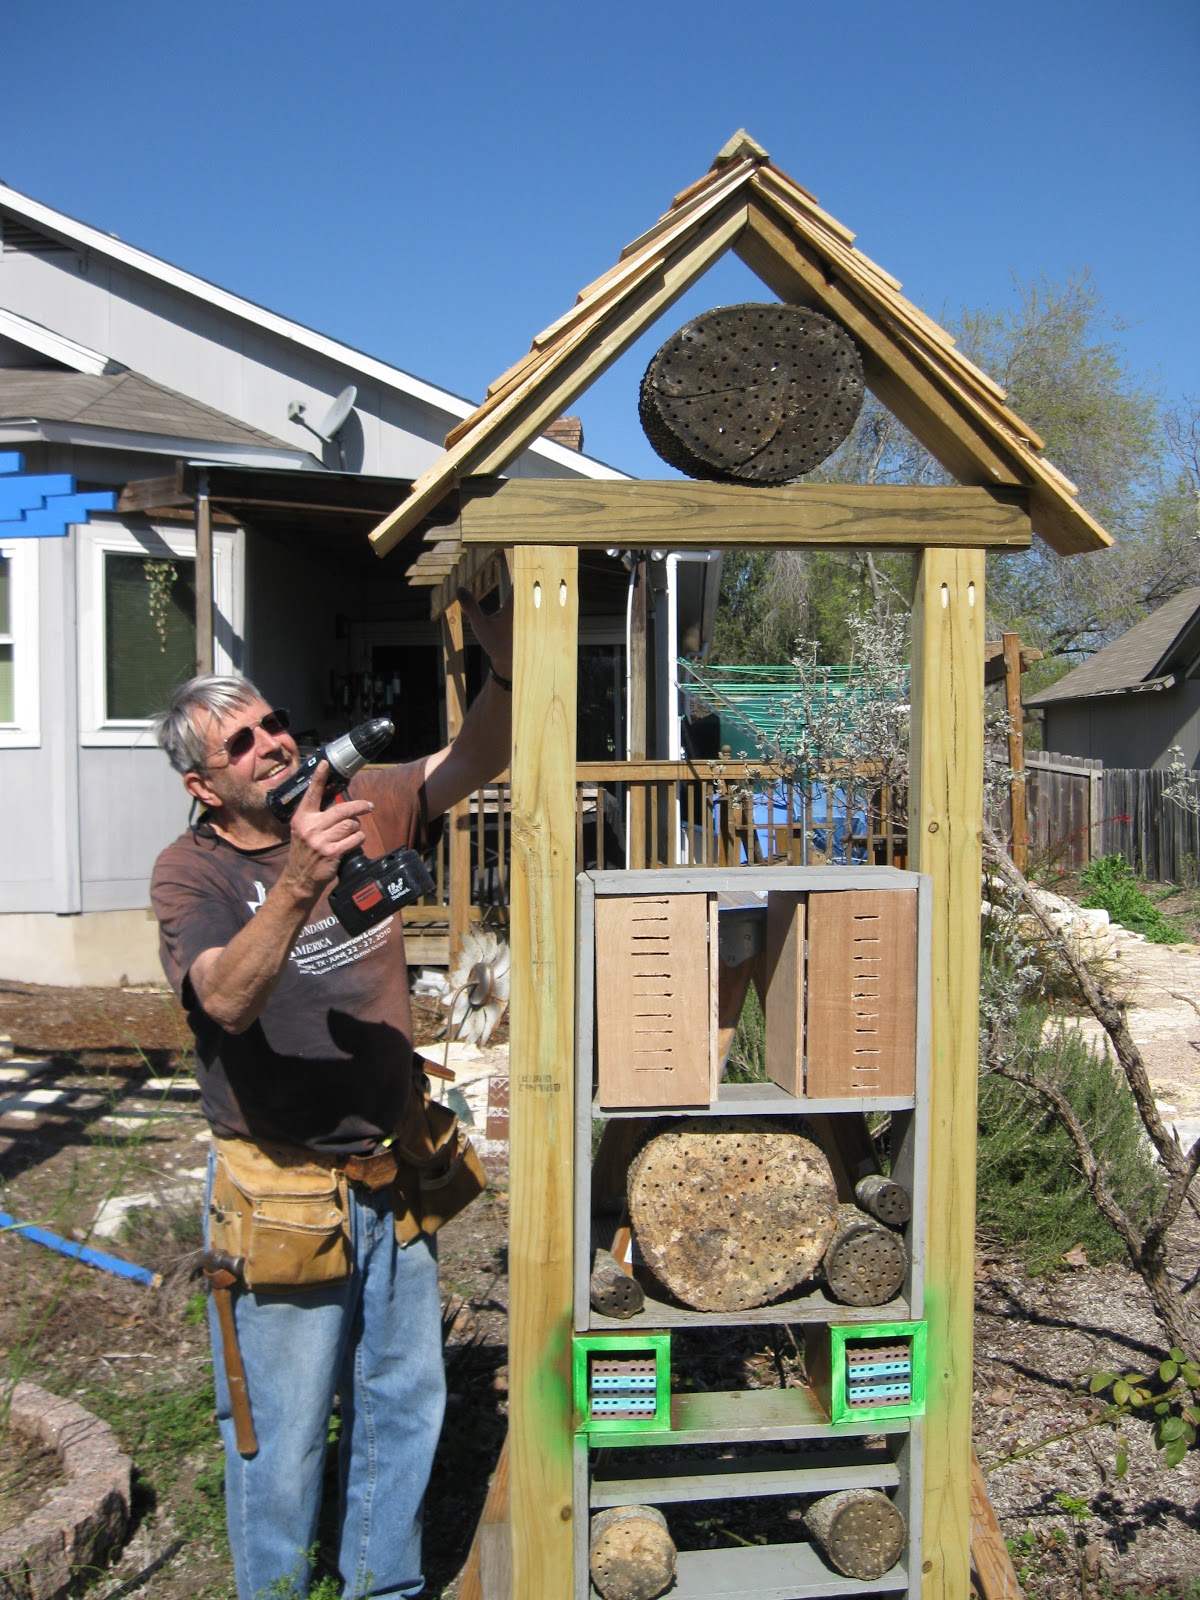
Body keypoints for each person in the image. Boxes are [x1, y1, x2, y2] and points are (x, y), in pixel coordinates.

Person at [149, 594, 512, 1600]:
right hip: (282, 1191)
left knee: (402, 1401)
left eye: (272, 724)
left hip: (395, 1170)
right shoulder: (192, 873)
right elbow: (222, 996)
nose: (272, 744)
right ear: (204, 783)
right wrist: (304, 880)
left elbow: (475, 758)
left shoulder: (365, 806)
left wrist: (511, 666)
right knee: (283, 1427)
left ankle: (381, 1587)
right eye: (242, 742)